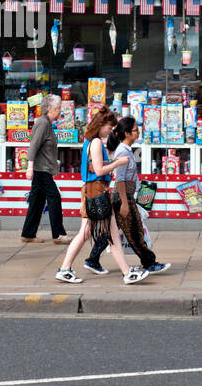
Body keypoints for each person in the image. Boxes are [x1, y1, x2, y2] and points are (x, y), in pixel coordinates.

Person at [55, 107, 148, 284]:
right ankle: (126, 273)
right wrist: (117, 163)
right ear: (101, 125)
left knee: (96, 233)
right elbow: (99, 170)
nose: (110, 131)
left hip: (93, 191)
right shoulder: (96, 142)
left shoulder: (90, 141)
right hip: (97, 190)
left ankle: (66, 269)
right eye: (108, 127)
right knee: (98, 234)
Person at [82, 116, 169, 276]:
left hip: (123, 196)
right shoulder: (123, 151)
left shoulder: (126, 150)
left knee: (109, 232)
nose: (138, 132)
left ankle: (92, 260)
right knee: (135, 232)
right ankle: (149, 263)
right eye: (135, 130)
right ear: (127, 133)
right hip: (123, 197)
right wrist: (125, 203)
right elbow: (120, 179)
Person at [19, 94, 70, 245]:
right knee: (54, 198)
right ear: (49, 109)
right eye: (58, 108)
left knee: (37, 201)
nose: (60, 111)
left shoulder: (47, 123)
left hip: (43, 168)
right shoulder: (42, 123)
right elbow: (33, 146)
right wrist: (29, 168)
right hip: (41, 169)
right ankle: (59, 234)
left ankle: (28, 233)